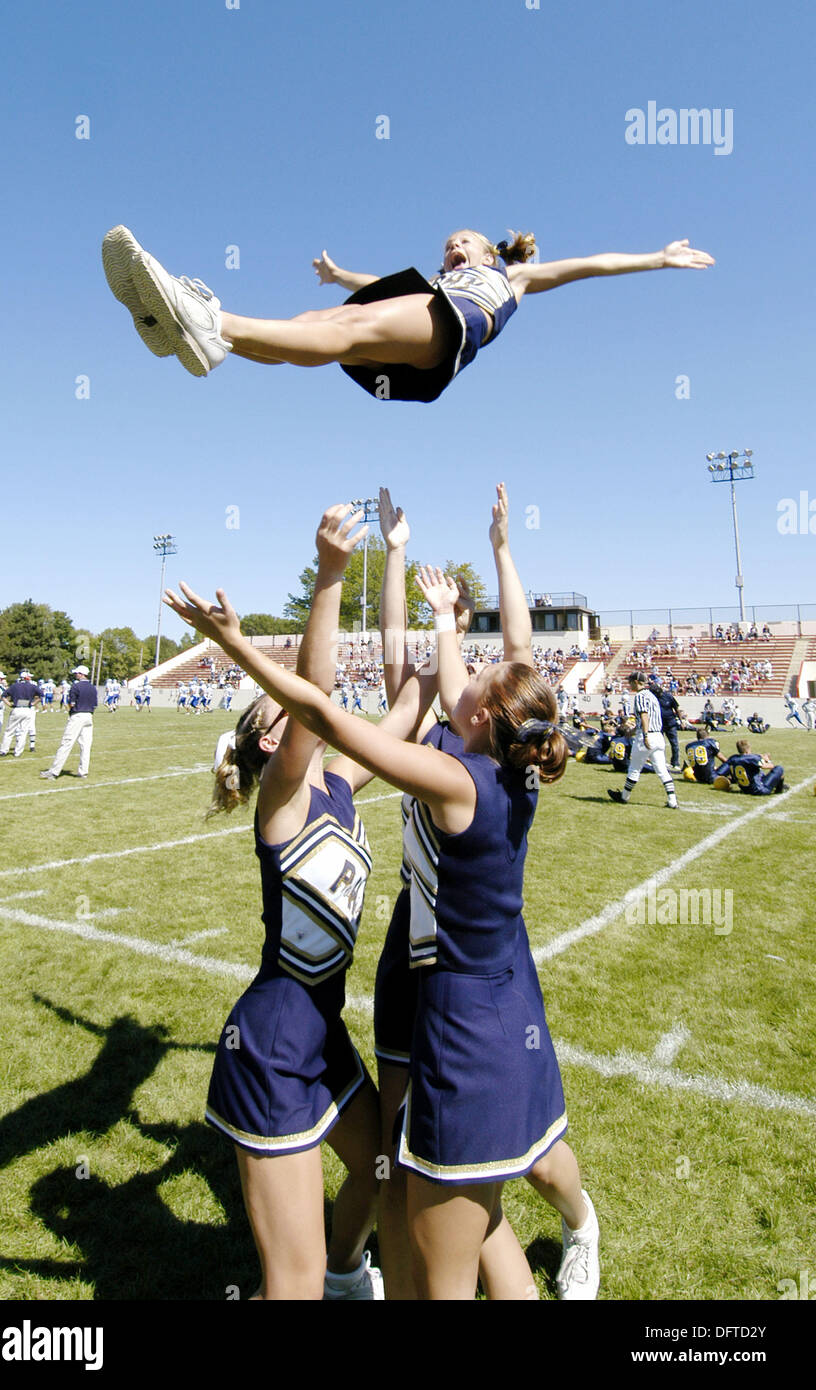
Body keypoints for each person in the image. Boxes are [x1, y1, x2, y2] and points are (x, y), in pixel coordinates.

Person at [164, 507, 595, 1301]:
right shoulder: (312, 791)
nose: (462, 687)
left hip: (359, 1029)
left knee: (400, 1183)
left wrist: (421, 608)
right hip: (289, 1037)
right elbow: (337, 702)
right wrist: (414, 588)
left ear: (483, 723)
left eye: (475, 691)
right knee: (373, 1219)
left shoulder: (416, 775)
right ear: (270, 744)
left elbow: (370, 702)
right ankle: (339, 1273)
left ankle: (346, 1271)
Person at [372, 485, 598, 1302]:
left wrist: (495, 559)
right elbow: (409, 661)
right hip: (420, 953)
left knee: (521, 1151)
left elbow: (521, 657)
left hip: (479, 969)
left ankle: (578, 1221)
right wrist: (397, 554)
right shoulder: (445, 728)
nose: (461, 651)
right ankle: (409, 1258)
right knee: (416, 1148)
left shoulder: (471, 759)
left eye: (466, 632)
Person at [195, 506, 386, 1301]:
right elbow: (313, 696)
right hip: (271, 1045)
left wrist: (398, 563)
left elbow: (405, 711)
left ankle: (348, 1269)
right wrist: (331, 576)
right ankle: (322, 1278)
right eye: (277, 707)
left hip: (323, 1036)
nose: (291, 704)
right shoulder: (282, 797)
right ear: (272, 741)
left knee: (385, 1166)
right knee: (290, 1284)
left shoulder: (337, 788)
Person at [102, 224, 714, 402]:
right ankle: (209, 341)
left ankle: (210, 319)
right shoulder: (436, 280)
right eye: (447, 244)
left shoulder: (512, 275)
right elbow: (380, 293)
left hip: (456, 328)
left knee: (349, 326)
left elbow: (588, 264)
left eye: (463, 242)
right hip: (425, 344)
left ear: (487, 250)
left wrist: (657, 259)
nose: (453, 248)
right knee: (322, 322)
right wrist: (343, 276)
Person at [608, 673, 678, 809]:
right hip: (658, 735)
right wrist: (632, 731)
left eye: (630, 682)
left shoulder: (640, 696)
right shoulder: (652, 696)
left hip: (647, 736)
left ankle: (624, 796)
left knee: (634, 768)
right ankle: (672, 800)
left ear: (635, 681)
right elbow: (647, 719)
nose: (629, 685)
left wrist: (645, 735)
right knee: (662, 770)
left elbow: (644, 716)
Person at [40, 666, 99, 779]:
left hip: (77, 715)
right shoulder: (92, 687)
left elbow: (72, 704)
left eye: (77, 673)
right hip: (89, 716)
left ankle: (54, 771)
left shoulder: (76, 686)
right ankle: (83, 772)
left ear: (81, 674)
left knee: (66, 743)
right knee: (85, 745)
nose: (75, 675)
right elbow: (95, 705)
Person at [715, 740, 786, 795]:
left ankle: (779, 786)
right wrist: (768, 760)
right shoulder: (752, 758)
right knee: (779, 768)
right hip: (759, 790)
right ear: (747, 750)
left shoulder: (733, 758)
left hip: (745, 789)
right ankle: (779, 789)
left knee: (756, 771)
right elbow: (770, 766)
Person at [0, 671, 42, 757]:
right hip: (27, 709)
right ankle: (18, 752)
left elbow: (3, 696)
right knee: (23, 731)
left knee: (9, 731)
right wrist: (33, 703)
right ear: (27, 678)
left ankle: (3, 750)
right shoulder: (32, 686)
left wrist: (9, 704)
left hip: (17, 708)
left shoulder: (14, 686)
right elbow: (41, 696)